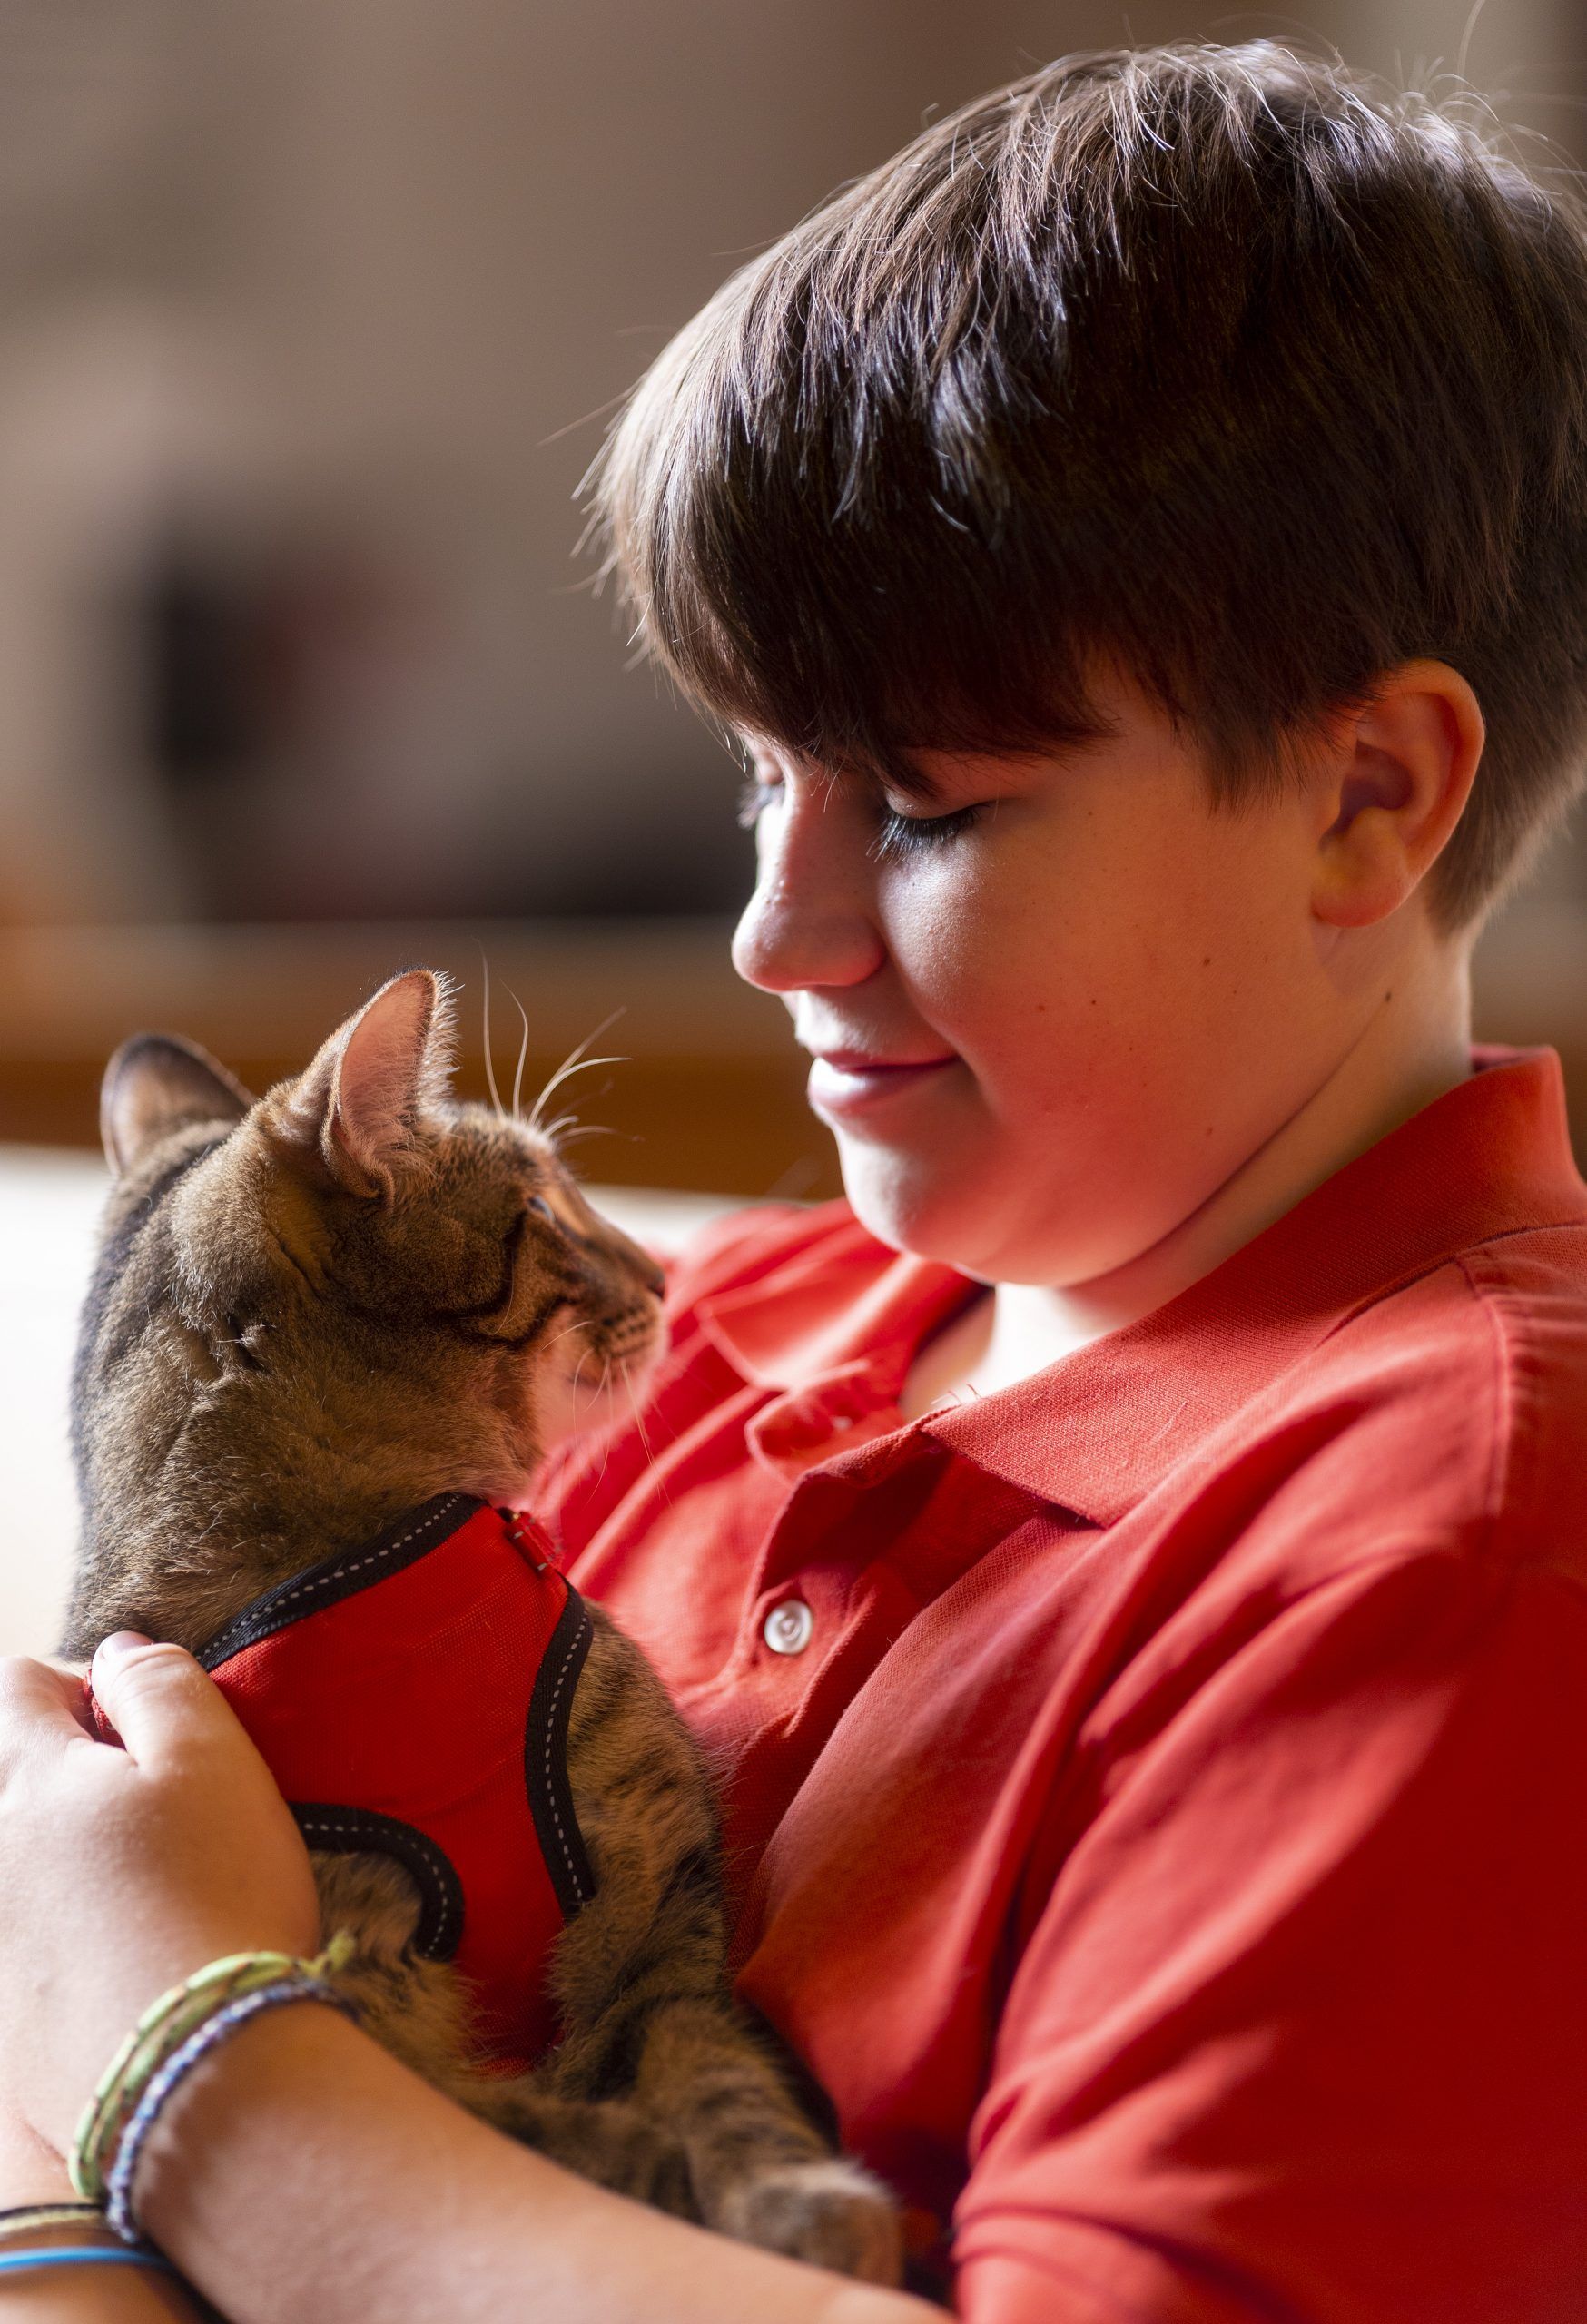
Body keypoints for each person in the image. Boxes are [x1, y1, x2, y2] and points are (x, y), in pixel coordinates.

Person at [5, 38, 1587, 2323]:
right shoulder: (694, 1331)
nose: (769, 931)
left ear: (1366, 792)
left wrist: (195, 2075)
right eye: (761, 775)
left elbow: (118, 2025)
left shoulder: (1450, 1550)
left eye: (926, 805)